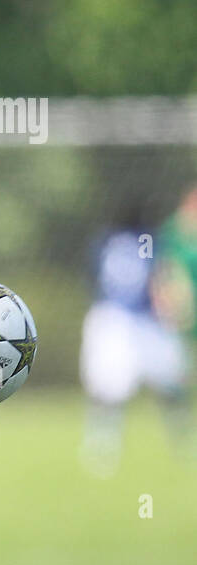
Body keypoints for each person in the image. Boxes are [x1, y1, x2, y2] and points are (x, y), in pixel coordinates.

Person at [78, 202, 189, 476]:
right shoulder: (149, 240)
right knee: (170, 385)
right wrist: (172, 309)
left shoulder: (105, 240)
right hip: (141, 320)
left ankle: (101, 447)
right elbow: (158, 280)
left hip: (109, 318)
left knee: (109, 391)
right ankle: (184, 441)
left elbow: (93, 279)